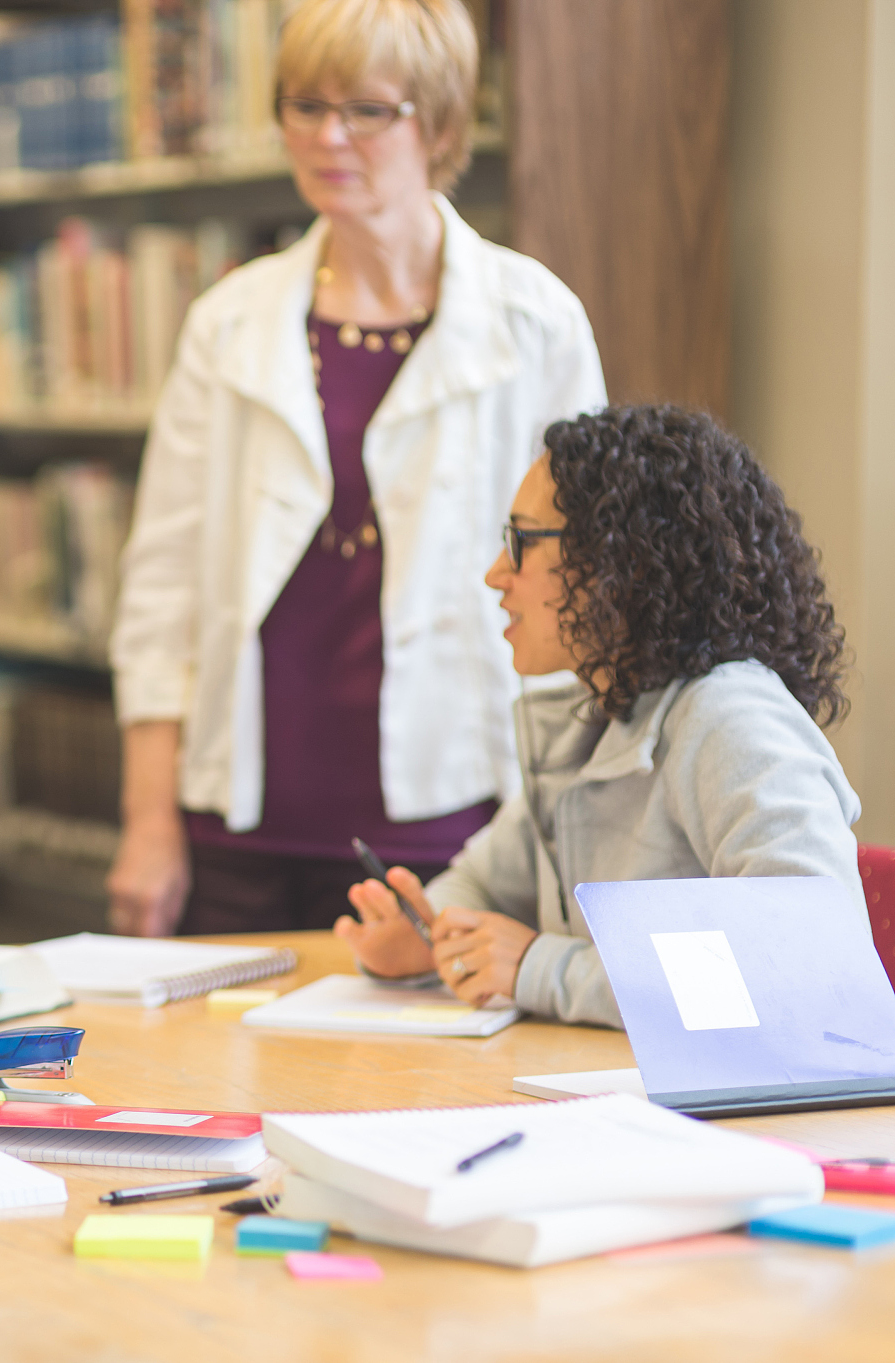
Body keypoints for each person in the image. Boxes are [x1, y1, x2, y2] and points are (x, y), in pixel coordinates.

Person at [106, 0, 605, 938]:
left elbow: (581, 589)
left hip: (455, 822)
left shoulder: (533, 320)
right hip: (239, 823)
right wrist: (146, 824)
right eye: (304, 104)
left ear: (441, 121)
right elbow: (161, 590)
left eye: (365, 109)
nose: (327, 135)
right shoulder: (229, 321)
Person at [339, 406, 862, 1028]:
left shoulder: (729, 717)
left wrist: (543, 969)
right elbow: (477, 886)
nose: (495, 574)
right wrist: (428, 938)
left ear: (623, 562)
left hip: (730, 1124)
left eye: (521, 542)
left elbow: (810, 960)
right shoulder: (592, 720)